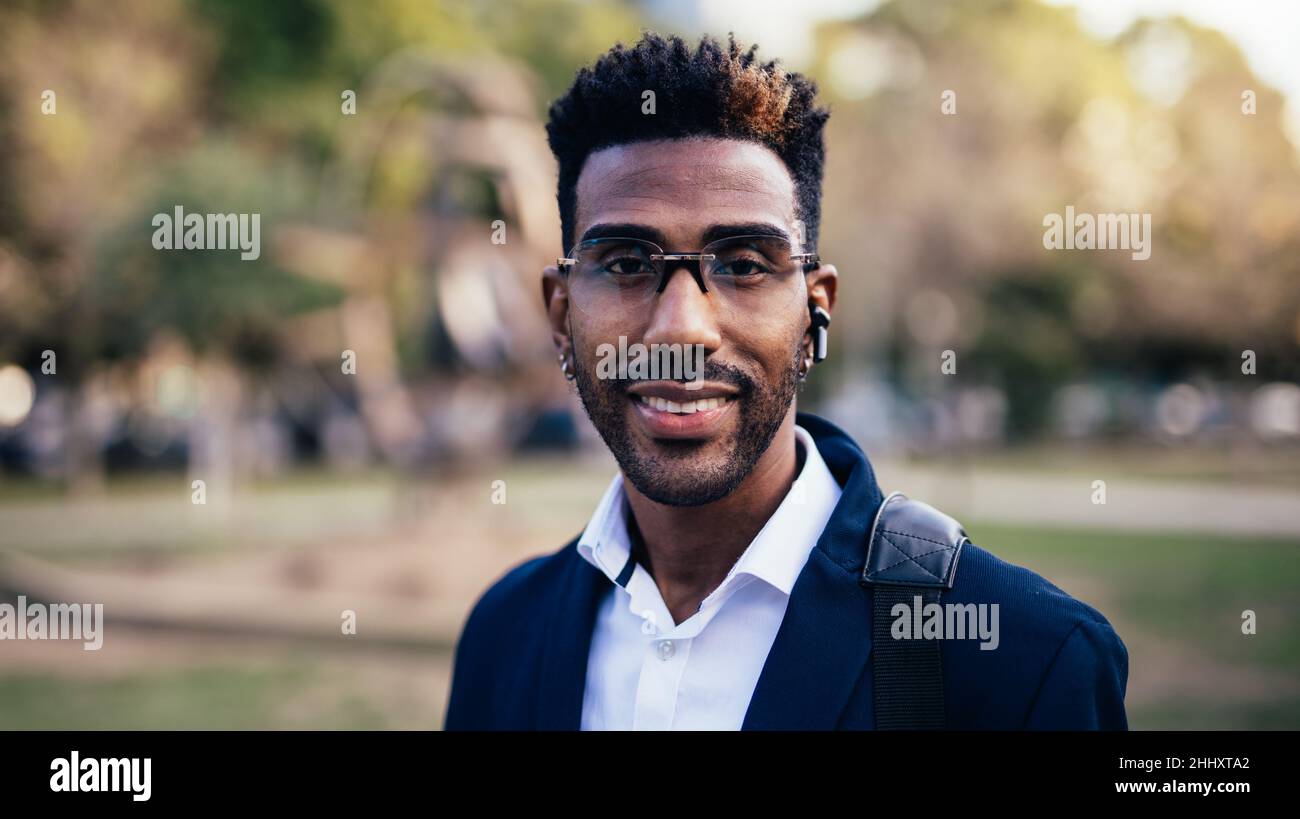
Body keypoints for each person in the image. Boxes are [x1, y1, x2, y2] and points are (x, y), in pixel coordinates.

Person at [444, 31, 1128, 730]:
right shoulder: (503, 636)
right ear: (561, 316)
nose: (683, 330)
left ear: (814, 310)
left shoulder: (1024, 662)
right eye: (625, 263)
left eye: (742, 263)